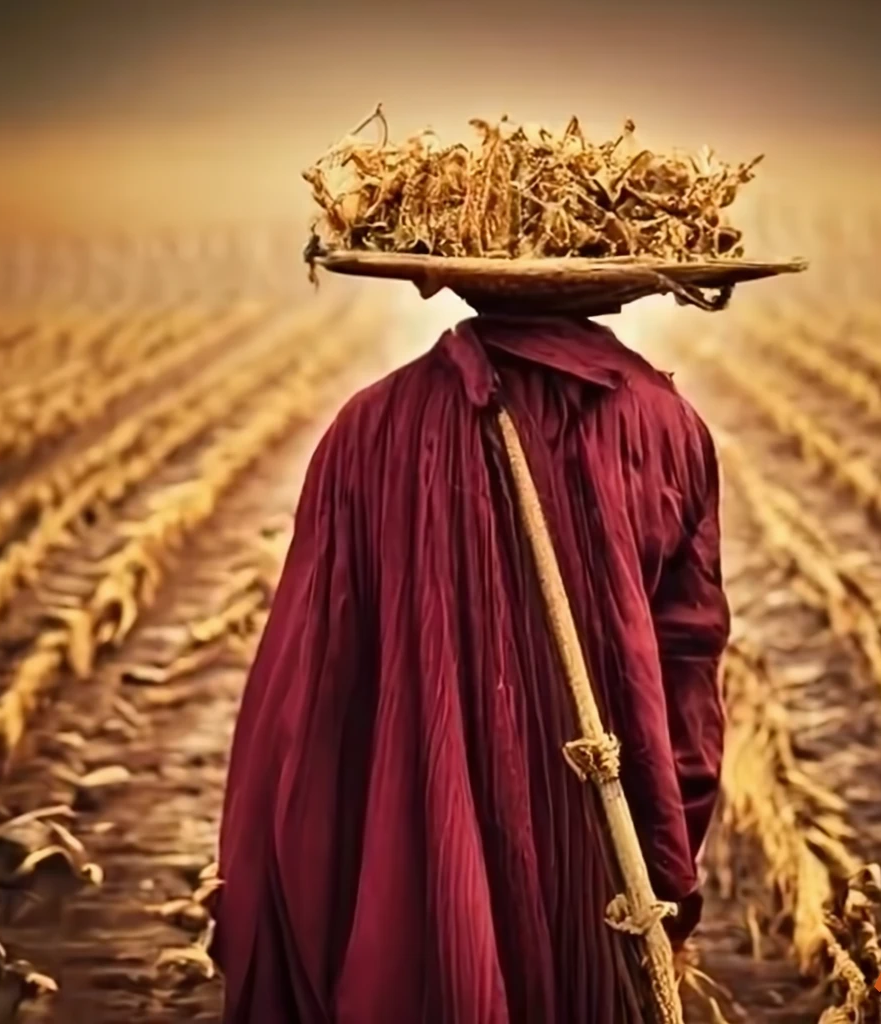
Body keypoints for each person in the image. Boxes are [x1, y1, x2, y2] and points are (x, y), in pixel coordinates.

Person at [211, 313, 731, 1024]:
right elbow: (685, 679)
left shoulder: (367, 428)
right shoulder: (666, 425)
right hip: (601, 875)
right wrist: (669, 875)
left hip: (415, 879)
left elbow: (312, 698)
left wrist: (281, 893)